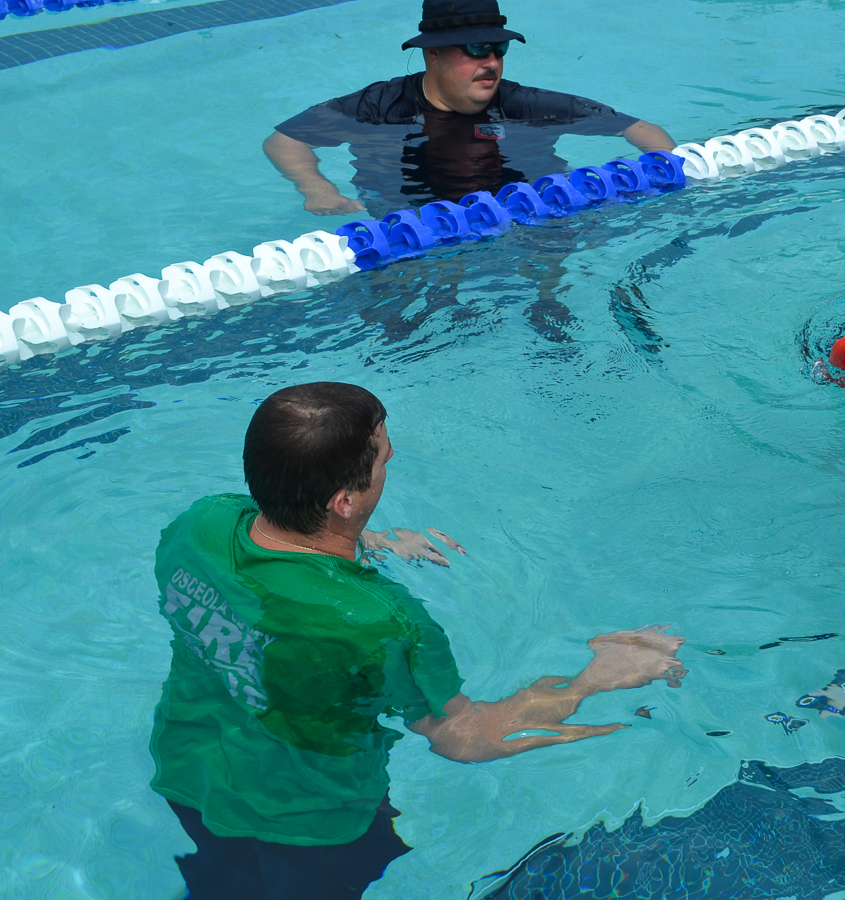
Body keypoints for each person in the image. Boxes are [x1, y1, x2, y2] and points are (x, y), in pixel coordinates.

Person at [149, 382, 686, 899]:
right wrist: (596, 679)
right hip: (308, 821)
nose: (389, 463)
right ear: (343, 500)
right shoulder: (381, 623)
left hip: (190, 772)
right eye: (383, 459)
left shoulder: (201, 524)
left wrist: (371, 541)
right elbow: (460, 737)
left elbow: (276, 555)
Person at [263, 0, 676, 217]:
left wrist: (668, 168)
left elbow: (638, 128)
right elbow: (284, 140)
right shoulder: (378, 107)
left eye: (499, 48)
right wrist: (316, 189)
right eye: (477, 48)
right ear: (433, 54)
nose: (491, 62)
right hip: (411, 230)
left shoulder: (526, 105)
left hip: (527, 223)